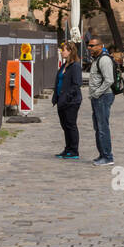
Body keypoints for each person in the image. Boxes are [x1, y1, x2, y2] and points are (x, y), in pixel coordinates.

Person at [86, 35, 116, 165]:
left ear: (100, 46)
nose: (89, 47)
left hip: (103, 96)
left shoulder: (104, 60)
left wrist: (96, 93)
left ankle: (108, 157)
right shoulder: (96, 59)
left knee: (103, 127)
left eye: (92, 45)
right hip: (97, 97)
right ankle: (102, 154)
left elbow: (109, 80)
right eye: (88, 45)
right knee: (98, 126)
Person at [52, 42, 82, 159]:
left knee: (71, 125)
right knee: (64, 125)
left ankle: (74, 150)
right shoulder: (65, 65)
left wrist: (67, 97)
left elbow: (76, 84)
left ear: (70, 51)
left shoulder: (75, 66)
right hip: (61, 100)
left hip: (71, 101)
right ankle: (67, 148)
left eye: (64, 50)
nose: (61, 51)